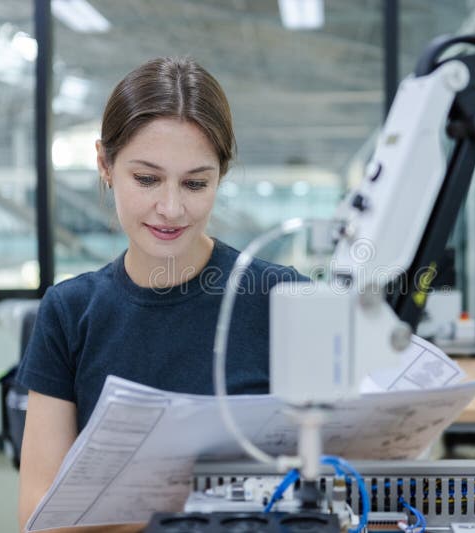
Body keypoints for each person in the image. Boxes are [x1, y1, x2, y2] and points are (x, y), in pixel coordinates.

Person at [17, 57, 302, 533]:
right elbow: (38, 515)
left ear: (221, 178)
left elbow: (341, 481)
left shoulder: (282, 298)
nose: (170, 208)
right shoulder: (68, 313)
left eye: (195, 183)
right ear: (105, 165)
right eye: (146, 179)